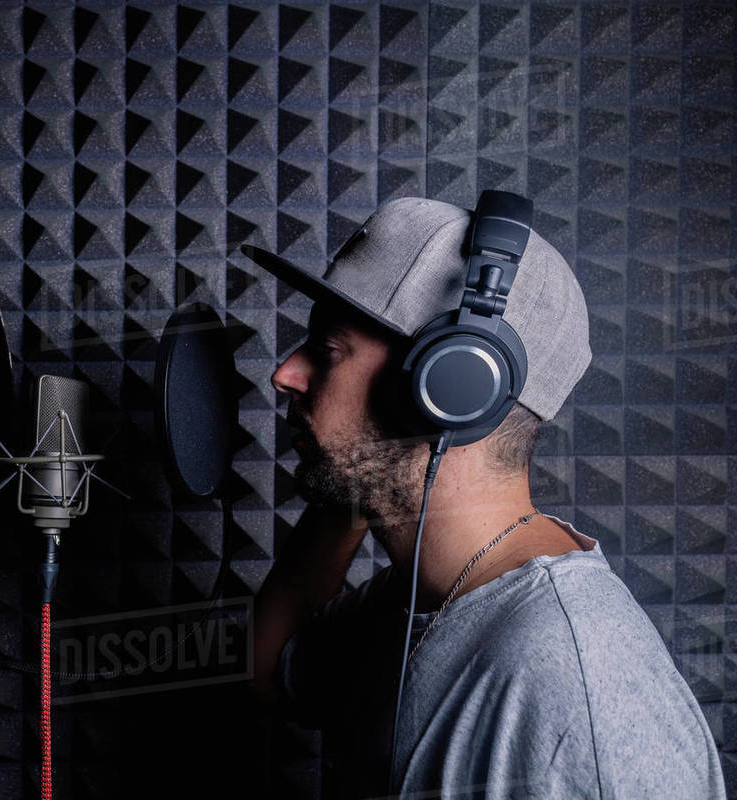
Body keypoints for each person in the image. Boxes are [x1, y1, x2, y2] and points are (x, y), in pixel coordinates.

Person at [247, 196, 726, 798]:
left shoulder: (576, 695)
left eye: (327, 349)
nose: (285, 374)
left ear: (445, 390)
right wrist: (357, 469)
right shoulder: (419, 597)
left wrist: (363, 446)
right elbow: (268, 670)